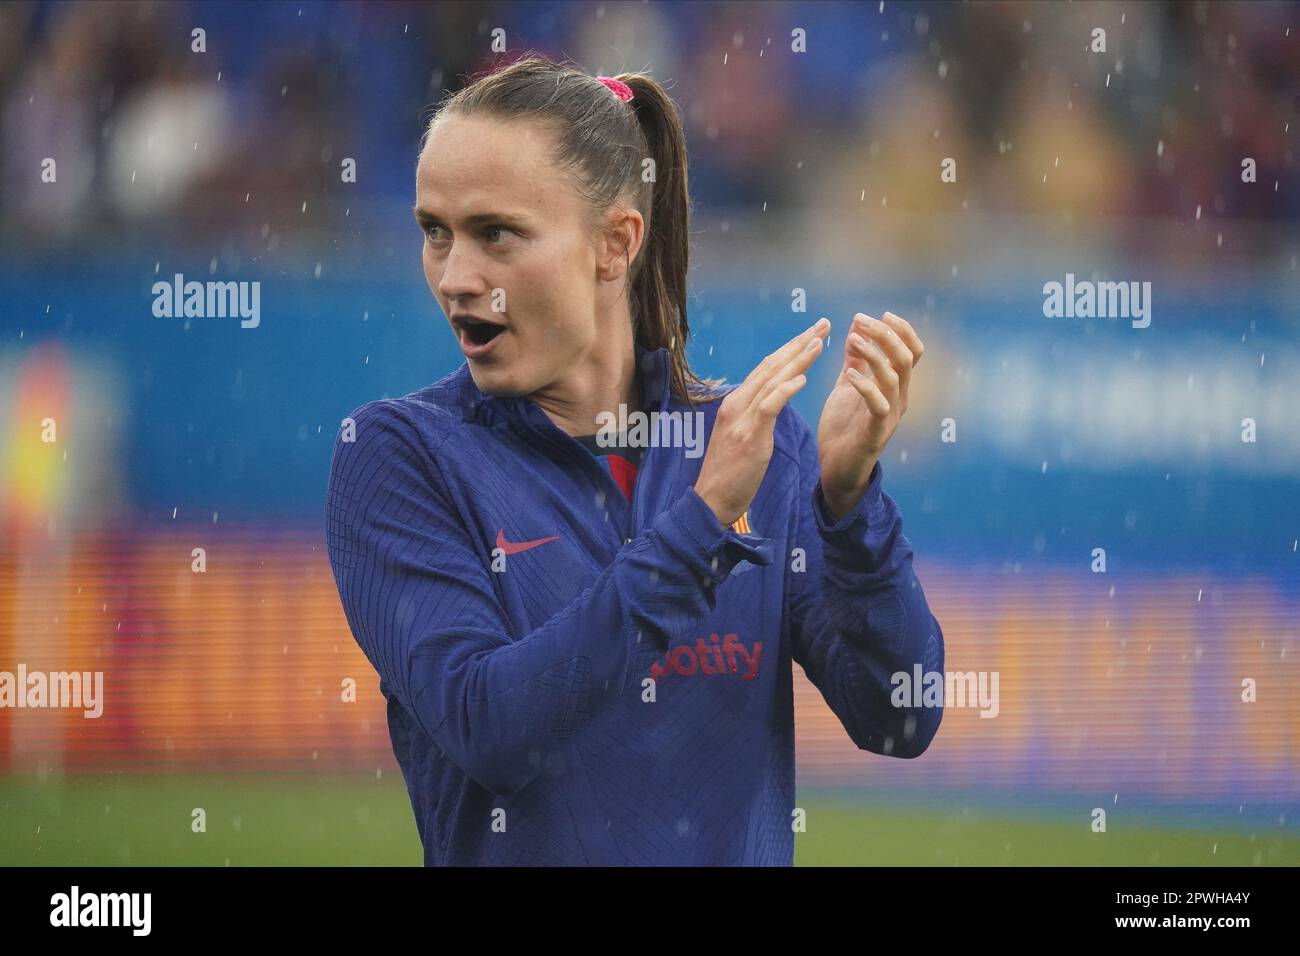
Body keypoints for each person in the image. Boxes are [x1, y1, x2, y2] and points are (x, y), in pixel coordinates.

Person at [325, 55, 944, 866]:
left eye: (496, 233)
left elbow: (899, 716)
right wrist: (700, 525)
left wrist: (849, 499)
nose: (457, 277)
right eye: (434, 231)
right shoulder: (399, 456)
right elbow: (489, 729)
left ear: (616, 244)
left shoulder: (754, 444)